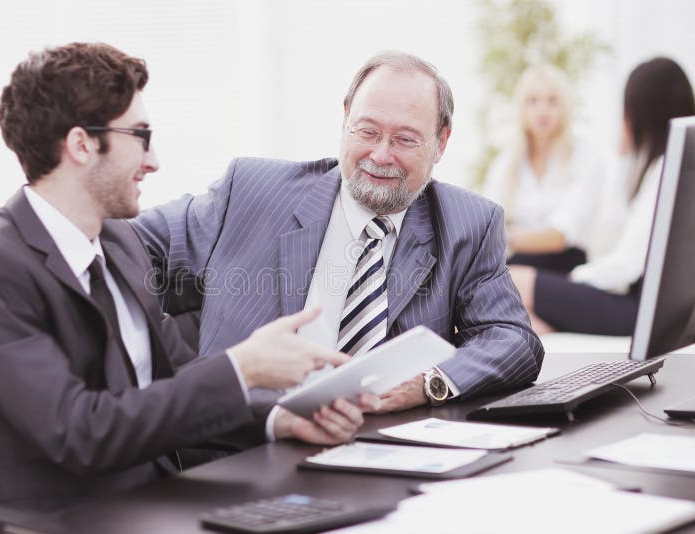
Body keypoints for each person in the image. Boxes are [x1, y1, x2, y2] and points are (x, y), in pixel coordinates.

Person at [0, 42, 375, 511]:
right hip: (63, 519)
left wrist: (281, 417)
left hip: (158, 502)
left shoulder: (117, 243)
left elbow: (177, 376)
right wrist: (242, 367)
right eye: (140, 136)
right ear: (81, 144)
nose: (153, 160)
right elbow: (80, 433)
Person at [134, 51, 544, 415]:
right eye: (367, 131)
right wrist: (173, 360)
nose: (381, 155)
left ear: (441, 143)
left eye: (404, 139)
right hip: (243, 448)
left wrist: (429, 383)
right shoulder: (250, 190)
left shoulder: (467, 222)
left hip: (382, 450)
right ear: (345, 117)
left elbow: (513, 340)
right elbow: (125, 248)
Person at [510, 57, 695, 335]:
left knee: (512, 280)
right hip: (660, 312)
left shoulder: (661, 172)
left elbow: (627, 265)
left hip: (638, 313)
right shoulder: (675, 166)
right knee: (521, 300)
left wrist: (575, 279)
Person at [481, 63, 603, 273]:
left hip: (566, 268)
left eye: (552, 101)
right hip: (516, 264)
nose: (542, 110)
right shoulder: (506, 163)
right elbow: (484, 225)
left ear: (565, 106)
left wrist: (507, 238)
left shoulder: (585, 158)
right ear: (522, 108)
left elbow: (560, 236)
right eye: (533, 101)